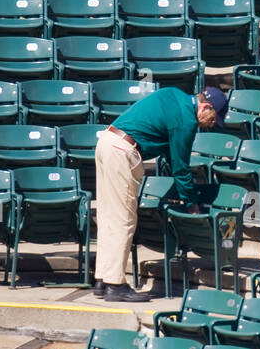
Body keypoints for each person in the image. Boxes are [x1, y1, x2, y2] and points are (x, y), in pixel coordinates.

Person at [93, 85, 229, 301]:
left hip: (106, 142)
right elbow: (181, 167)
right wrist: (191, 204)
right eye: (212, 118)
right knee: (123, 220)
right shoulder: (187, 119)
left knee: (108, 215)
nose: (210, 125)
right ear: (205, 106)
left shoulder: (173, 94)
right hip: (122, 151)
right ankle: (115, 285)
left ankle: (102, 279)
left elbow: (167, 149)